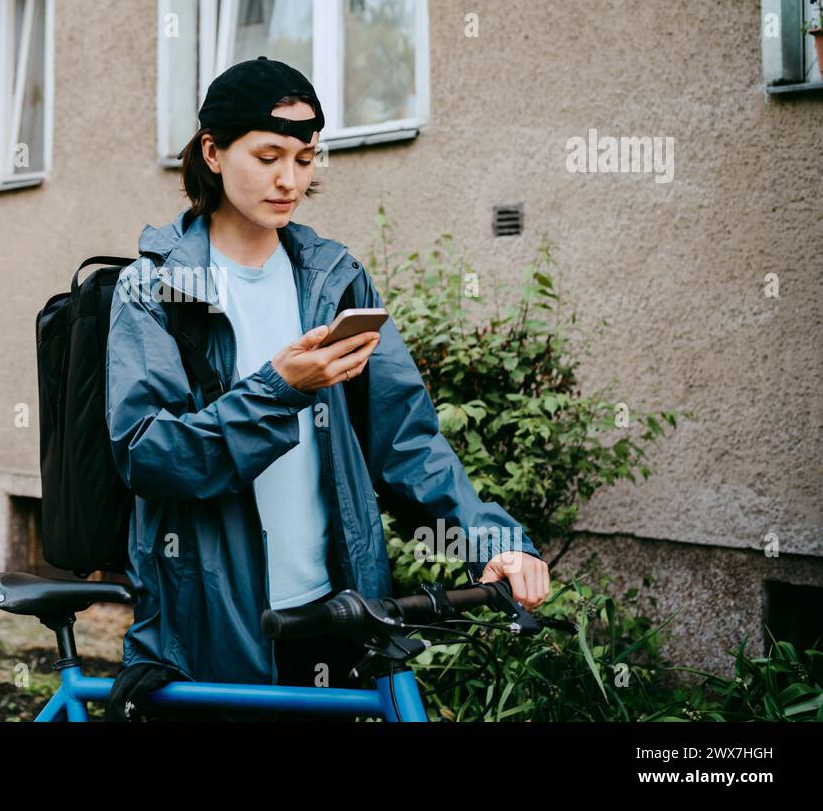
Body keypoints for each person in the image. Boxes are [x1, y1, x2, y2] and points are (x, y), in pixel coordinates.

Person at [103, 56, 550, 722]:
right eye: (268, 155)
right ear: (213, 152)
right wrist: (279, 390)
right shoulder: (156, 286)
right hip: (212, 632)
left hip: (341, 619)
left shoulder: (334, 280)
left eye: (306, 158)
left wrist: (492, 540)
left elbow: (406, 443)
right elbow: (150, 453)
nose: (289, 179)